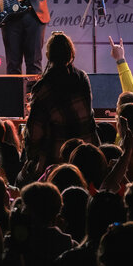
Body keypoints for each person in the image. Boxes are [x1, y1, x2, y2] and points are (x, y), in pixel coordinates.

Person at [23, 32, 100, 172]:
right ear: (70, 53)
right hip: (90, 153)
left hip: (57, 159)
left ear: (48, 56)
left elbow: (35, 133)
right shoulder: (82, 78)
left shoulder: (43, 88)